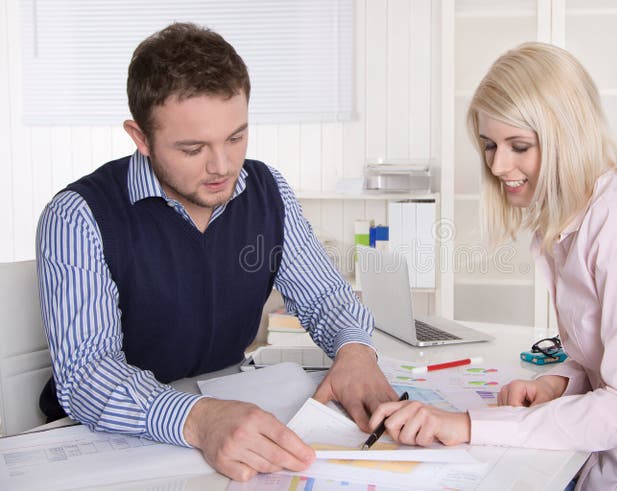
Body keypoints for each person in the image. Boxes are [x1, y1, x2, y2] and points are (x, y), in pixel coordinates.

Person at [368, 43, 617, 490]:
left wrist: (468, 425)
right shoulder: (560, 223)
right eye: (489, 145)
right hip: (616, 463)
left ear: (566, 136)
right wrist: (560, 382)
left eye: (519, 146)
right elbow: (612, 353)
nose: (499, 165)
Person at [36, 22, 396, 482]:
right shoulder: (78, 216)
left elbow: (326, 298)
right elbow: (88, 375)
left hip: (231, 412)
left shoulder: (268, 190)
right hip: (113, 443)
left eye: (235, 137)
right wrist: (199, 418)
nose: (222, 167)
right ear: (140, 137)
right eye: (192, 148)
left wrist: (354, 351)